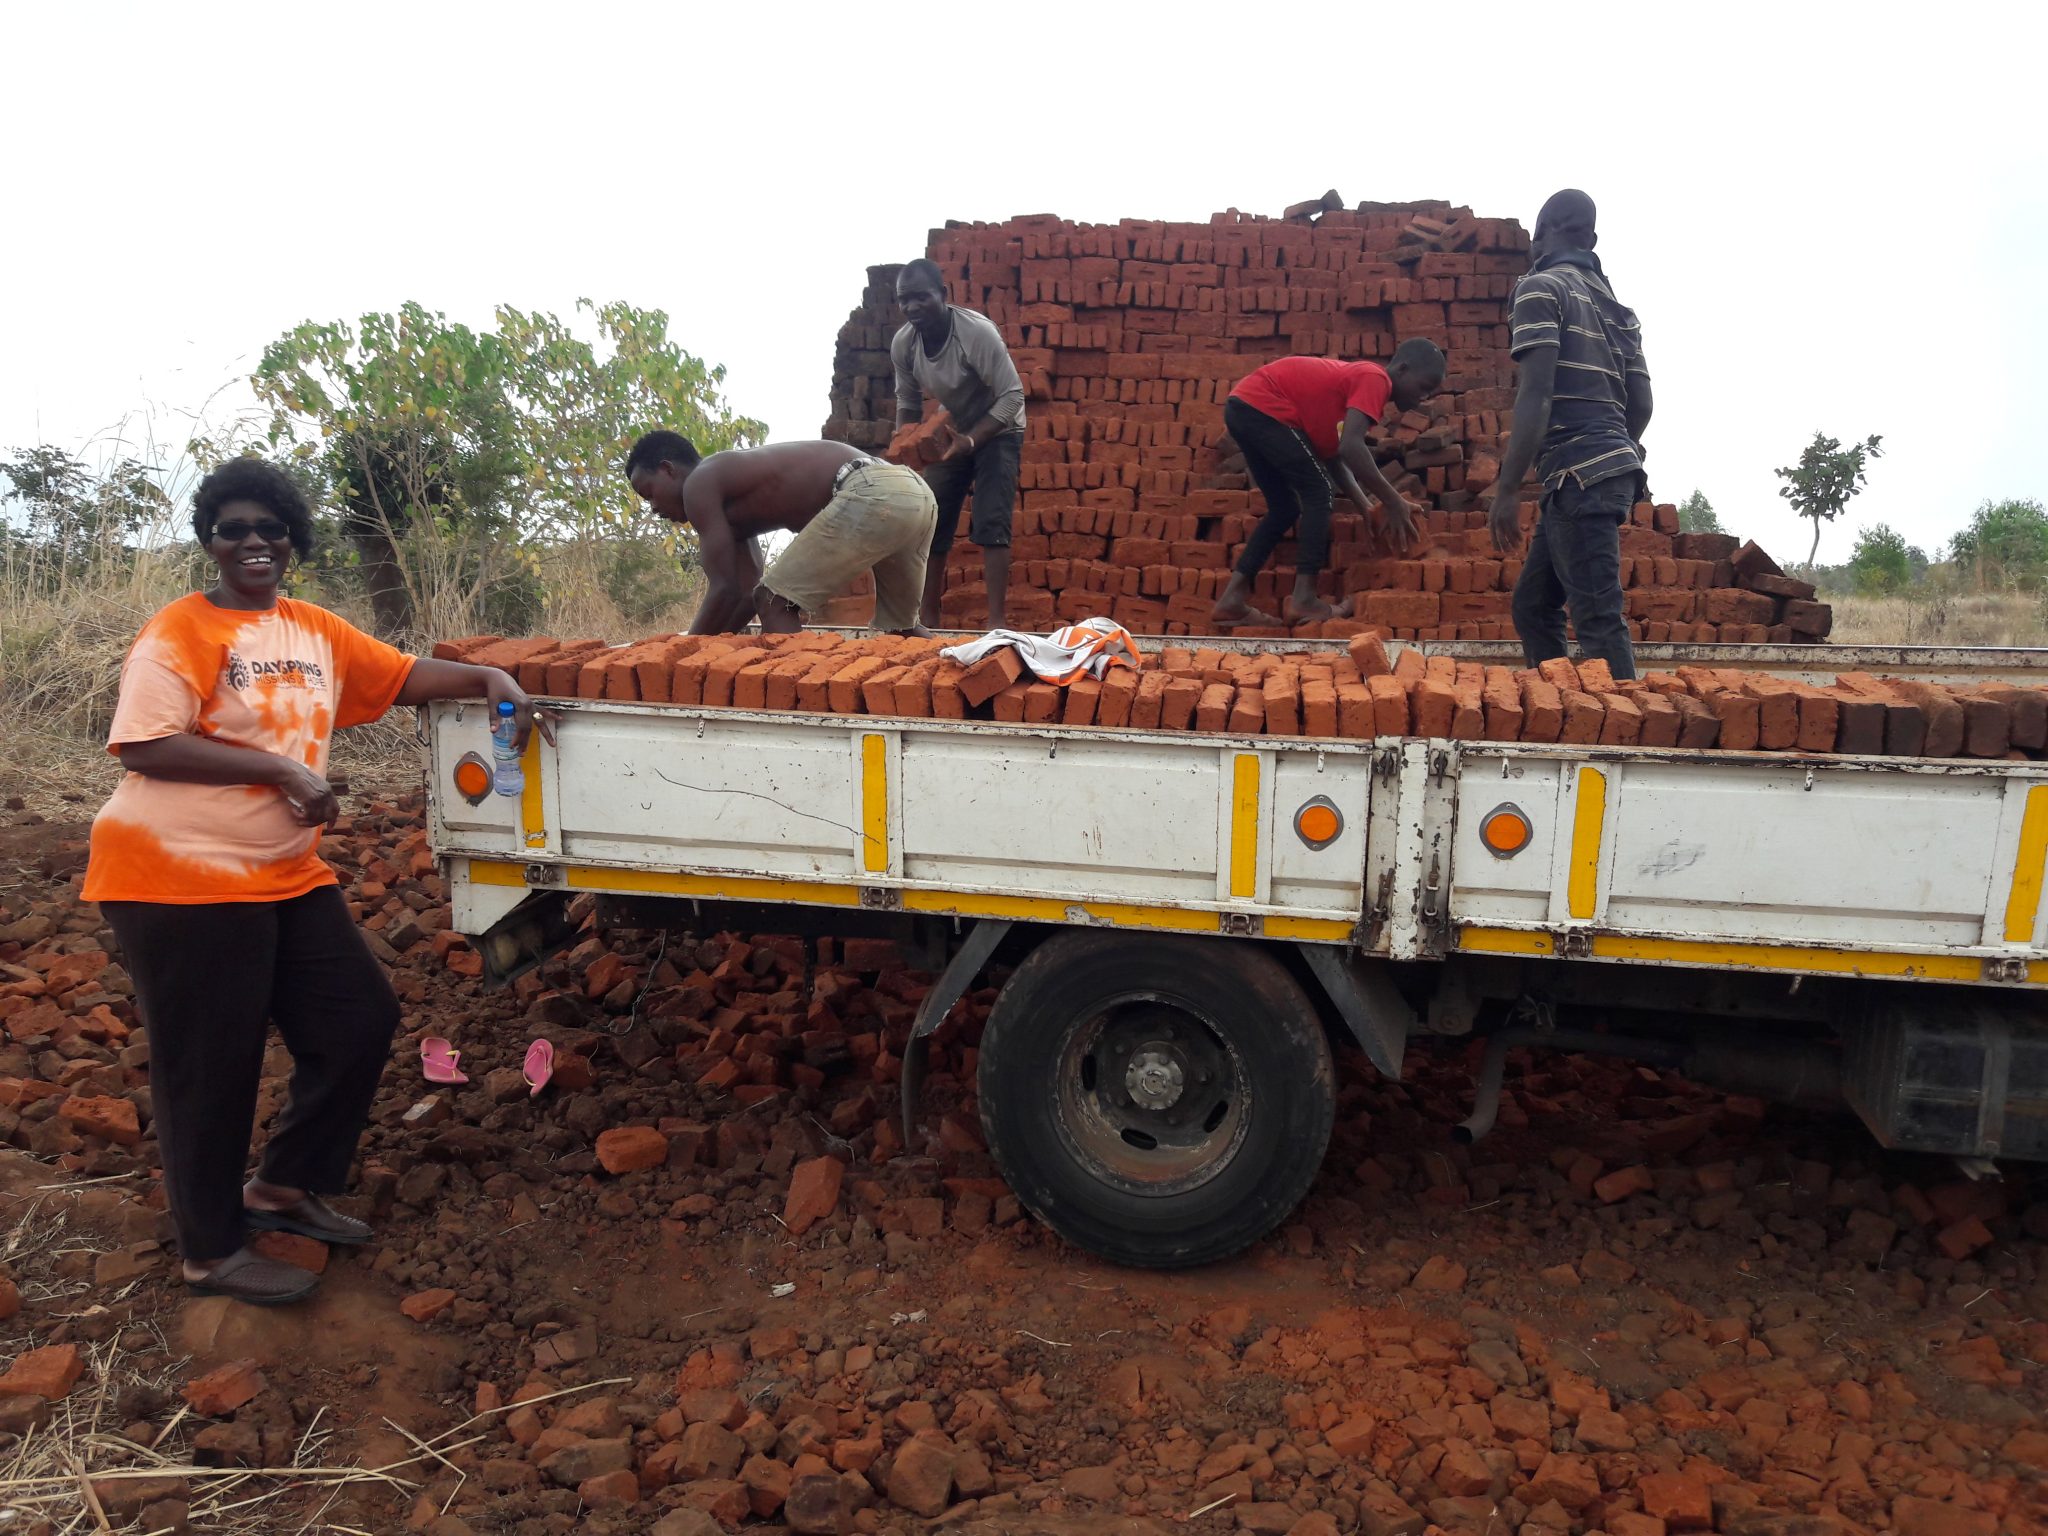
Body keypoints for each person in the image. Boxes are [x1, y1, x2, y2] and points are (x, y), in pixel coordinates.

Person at [81, 458, 548, 1306]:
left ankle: (281, 1187)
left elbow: (401, 677)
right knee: (210, 1065)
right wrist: (281, 770)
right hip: (176, 877)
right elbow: (144, 744)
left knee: (357, 1020)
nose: (254, 543)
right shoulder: (180, 632)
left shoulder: (311, 630)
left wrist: (489, 678)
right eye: (234, 530)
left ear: (293, 538)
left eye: (271, 529)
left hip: (283, 872)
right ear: (210, 542)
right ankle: (209, 1250)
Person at [1489, 189, 1652, 681]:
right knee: (1534, 607)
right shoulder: (1619, 311)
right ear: (1591, 240)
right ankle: (1555, 702)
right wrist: (1614, 449)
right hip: (1599, 473)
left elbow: (1535, 394)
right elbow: (1642, 405)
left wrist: (1507, 489)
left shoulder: (1541, 288)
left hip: (1579, 477)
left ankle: (1625, 722)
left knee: (1598, 620)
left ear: (1541, 234)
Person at [1211, 341, 1446, 628]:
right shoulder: (1376, 379)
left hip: (1244, 407)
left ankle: (1231, 601)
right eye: (1424, 386)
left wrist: (1366, 507)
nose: (1425, 396)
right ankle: (1304, 600)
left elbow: (1335, 455)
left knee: (1285, 508)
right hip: (1264, 406)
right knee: (1319, 492)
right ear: (1402, 369)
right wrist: (1393, 501)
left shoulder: (1359, 388)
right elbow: (1352, 447)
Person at [626, 431, 936, 636]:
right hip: (913, 492)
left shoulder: (699, 483)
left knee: (774, 603)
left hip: (874, 491)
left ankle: (808, 707)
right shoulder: (728, 500)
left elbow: (724, 588)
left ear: (668, 469)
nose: (654, 508)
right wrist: (717, 644)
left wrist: (682, 654)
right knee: (903, 629)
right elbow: (744, 593)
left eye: (649, 493)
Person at [892, 259, 1025, 629]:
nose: (912, 307)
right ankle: (927, 618)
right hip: (952, 429)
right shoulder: (904, 344)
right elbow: (908, 402)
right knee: (932, 519)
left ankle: (996, 621)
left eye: (921, 297)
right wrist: (906, 445)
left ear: (943, 294)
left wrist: (971, 440)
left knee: (992, 519)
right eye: (904, 299)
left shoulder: (975, 334)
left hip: (1000, 425)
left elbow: (1013, 395)